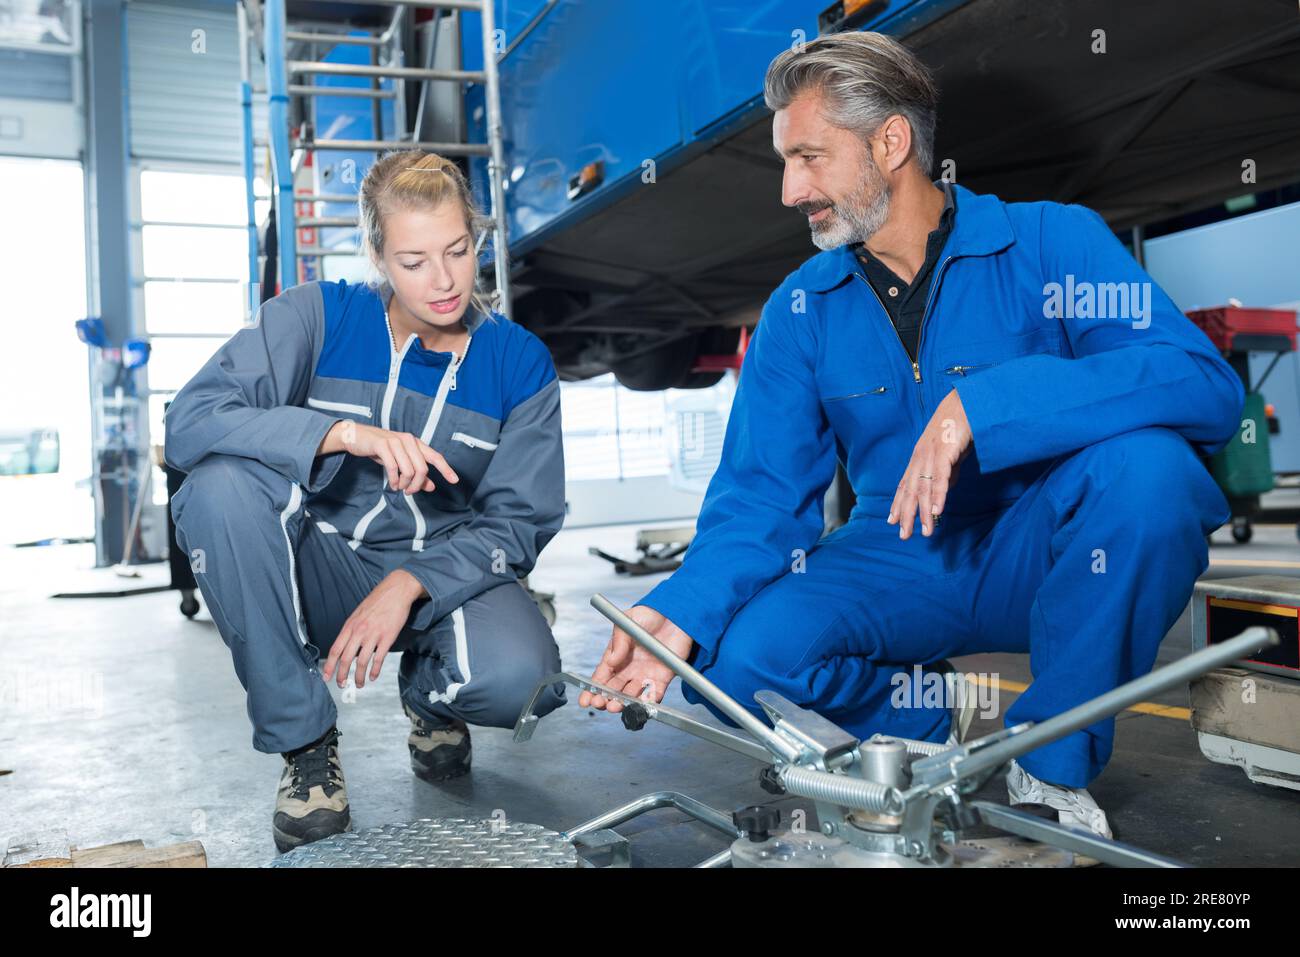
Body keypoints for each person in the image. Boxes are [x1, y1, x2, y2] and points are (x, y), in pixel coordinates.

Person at [581, 32, 1243, 839]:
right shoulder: (801, 307)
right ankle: (923, 737)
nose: (791, 189)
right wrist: (677, 610)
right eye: (786, 162)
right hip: (896, 554)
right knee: (733, 658)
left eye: (810, 157)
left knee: (1152, 476)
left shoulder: (1049, 242)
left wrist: (988, 405)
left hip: (1043, 543)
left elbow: (1199, 383)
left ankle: (1050, 768)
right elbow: (760, 493)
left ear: (891, 143)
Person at [165, 150, 568, 853]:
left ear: (477, 237)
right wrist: (338, 433)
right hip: (324, 570)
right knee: (218, 486)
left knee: (521, 682)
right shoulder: (315, 317)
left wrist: (412, 583)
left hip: (446, 578)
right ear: (379, 255)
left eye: (458, 250)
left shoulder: (519, 360)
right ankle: (307, 744)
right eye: (414, 261)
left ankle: (427, 690)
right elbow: (189, 421)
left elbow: (519, 518)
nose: (443, 281)